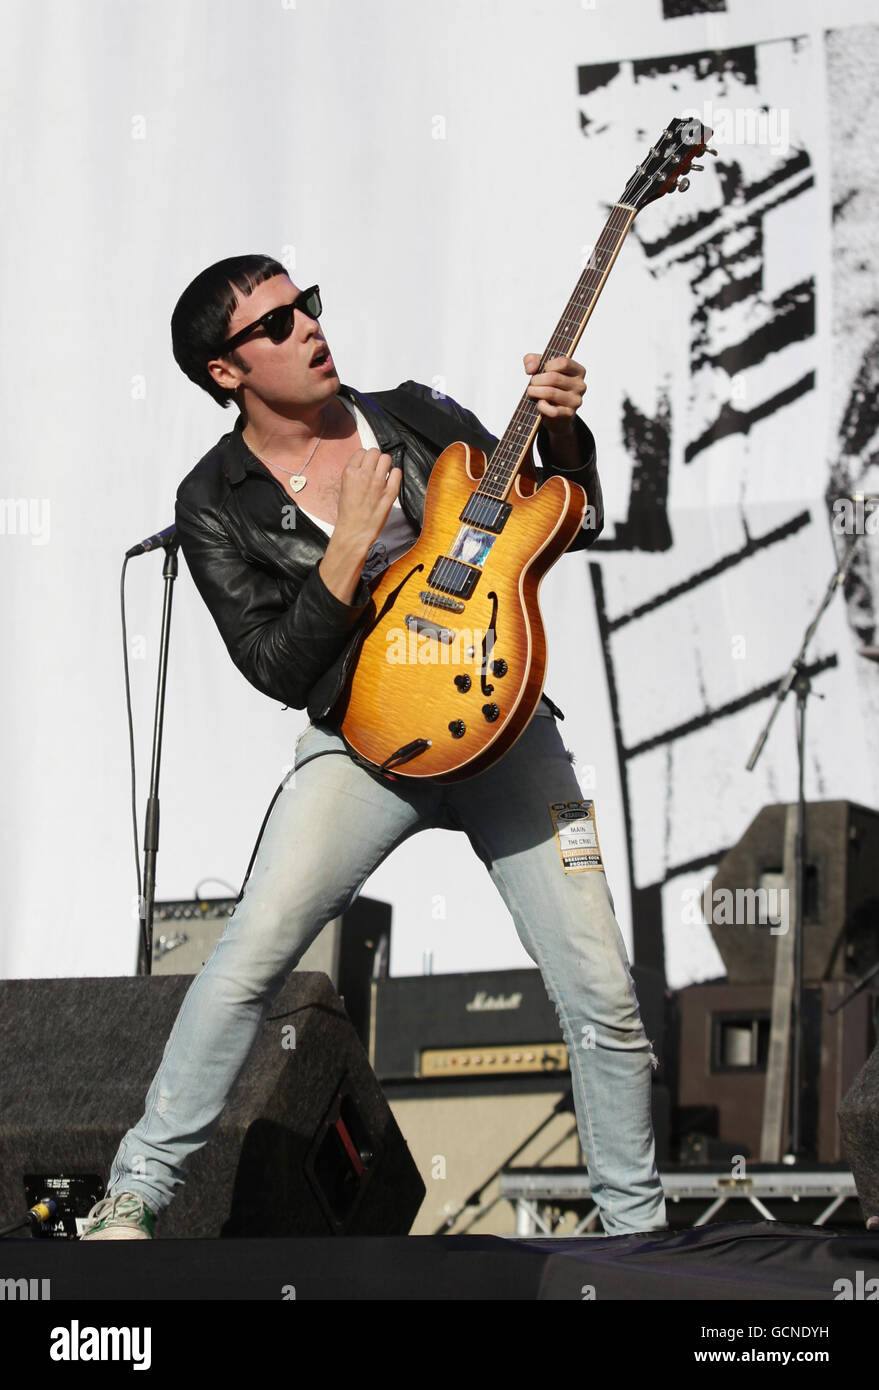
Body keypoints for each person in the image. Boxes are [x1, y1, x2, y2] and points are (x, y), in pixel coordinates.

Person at [81, 254, 667, 1240]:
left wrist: (563, 429)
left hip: (500, 723)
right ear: (227, 372)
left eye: (305, 305)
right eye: (274, 326)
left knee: (602, 987)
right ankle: (133, 1193)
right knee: (247, 959)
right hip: (360, 744)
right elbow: (275, 664)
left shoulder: (413, 412)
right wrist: (348, 549)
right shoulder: (214, 501)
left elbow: (555, 508)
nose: (307, 327)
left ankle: (638, 1233)